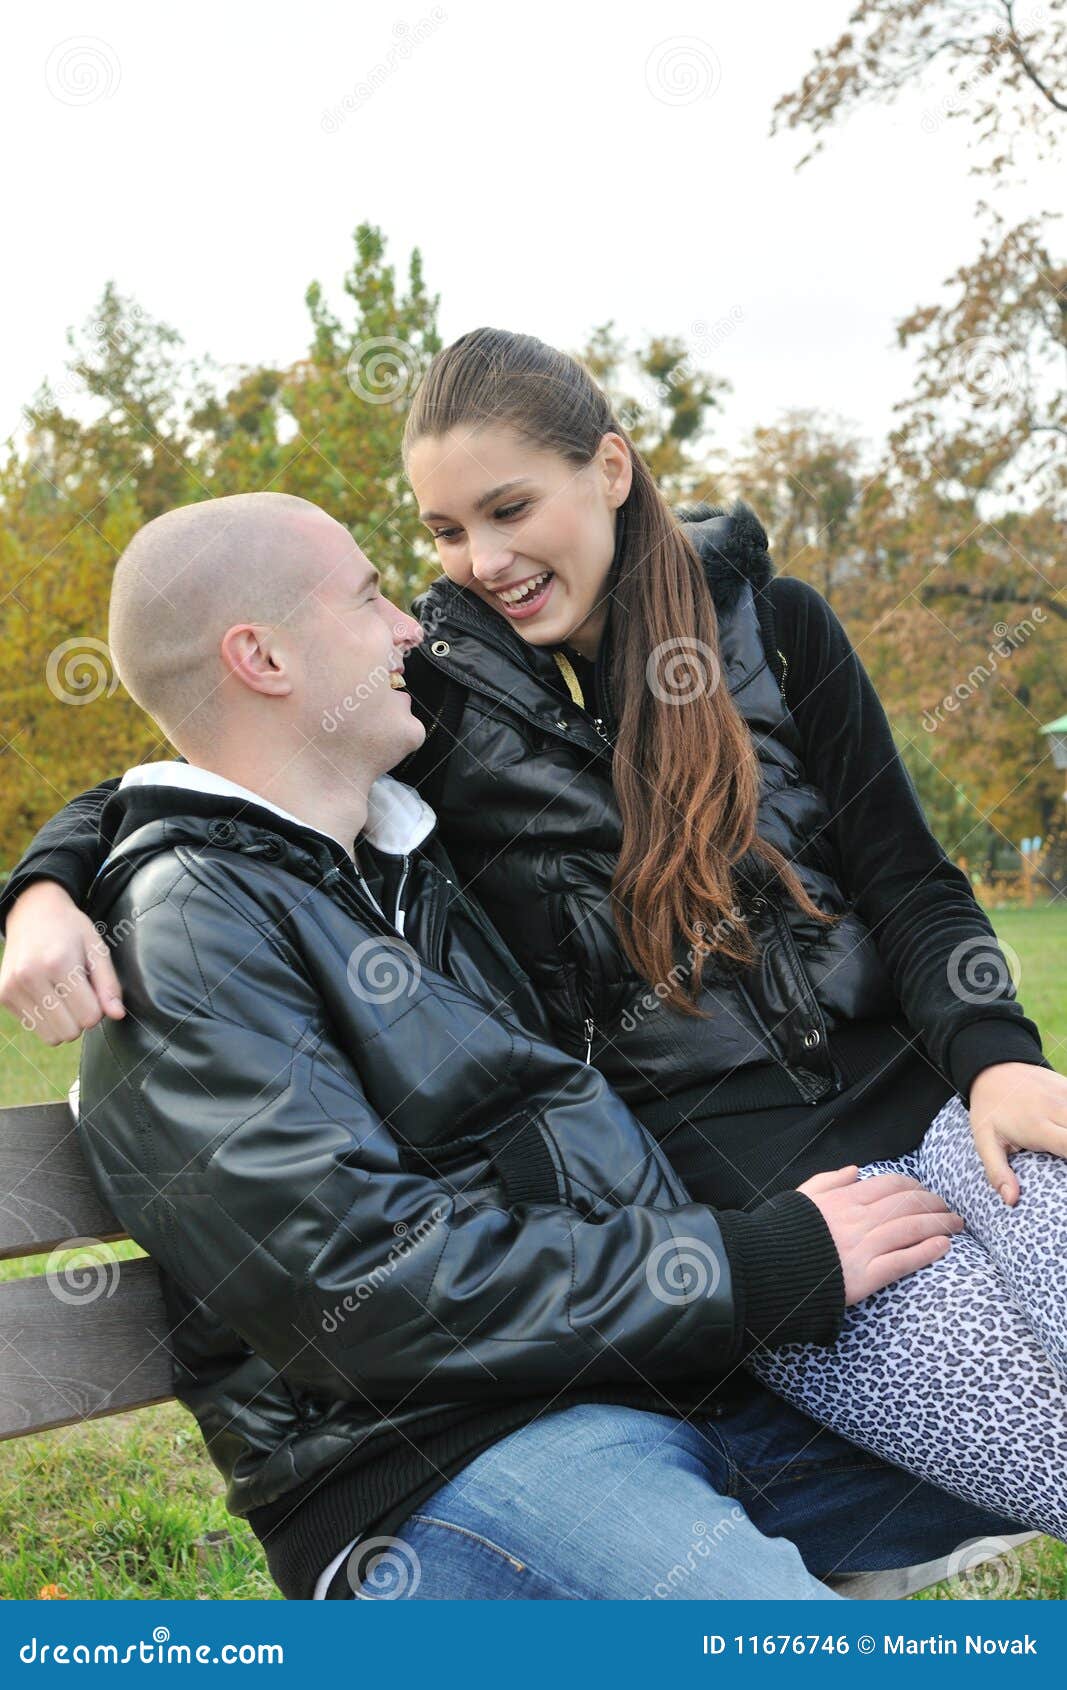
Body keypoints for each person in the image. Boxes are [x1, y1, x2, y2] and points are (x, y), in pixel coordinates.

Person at [2, 370, 1063, 1575]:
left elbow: (908, 876)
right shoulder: (418, 712)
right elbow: (206, 749)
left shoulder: (760, 636)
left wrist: (994, 1060)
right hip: (691, 1270)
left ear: (609, 470)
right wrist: (45, 882)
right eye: (439, 535)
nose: (460, 573)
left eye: (506, 510)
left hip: (857, 1182)